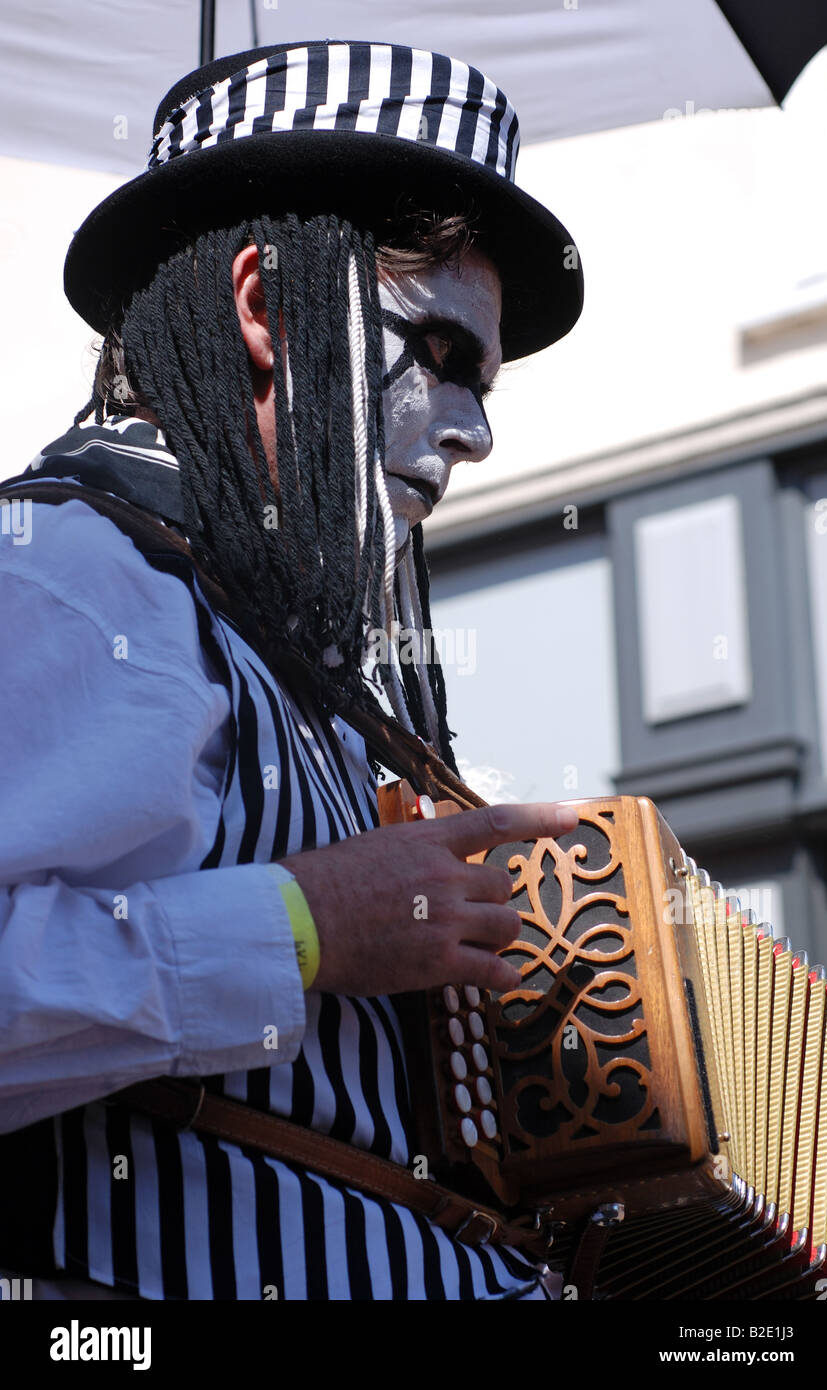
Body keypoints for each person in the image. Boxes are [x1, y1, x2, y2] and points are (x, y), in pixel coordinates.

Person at [0, 39, 583, 1300]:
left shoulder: (279, 646)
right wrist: (306, 925)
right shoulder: (72, 572)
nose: (476, 432)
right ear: (264, 307)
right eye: (439, 353)